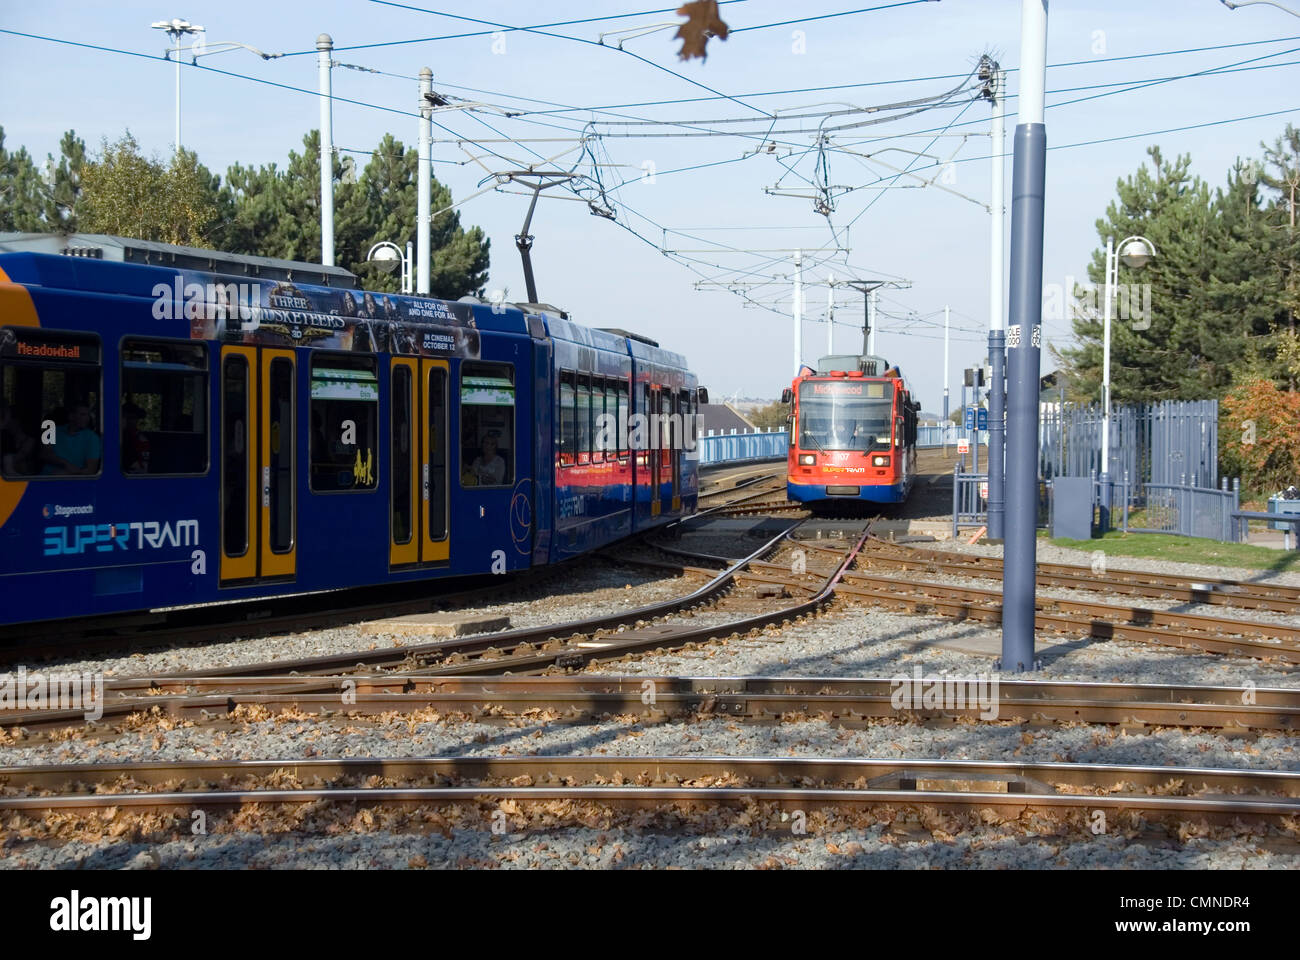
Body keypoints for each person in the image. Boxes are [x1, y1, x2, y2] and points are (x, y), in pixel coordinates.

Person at [40, 402, 101, 476]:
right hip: (44, 479)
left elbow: (91, 470)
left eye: (88, 415)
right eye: (82, 414)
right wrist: (65, 463)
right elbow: (44, 454)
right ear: (71, 416)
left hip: (70, 481)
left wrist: (67, 474)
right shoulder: (52, 431)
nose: (87, 418)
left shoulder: (92, 438)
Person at [0, 399, 37, 476]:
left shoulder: (29, 441)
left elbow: (15, 460)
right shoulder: (6, 438)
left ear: (18, 421)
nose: (8, 424)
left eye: (11, 420)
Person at [121, 402, 151, 474]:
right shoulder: (114, 436)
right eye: (124, 417)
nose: (128, 421)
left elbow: (142, 468)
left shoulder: (140, 439)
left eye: (132, 418)